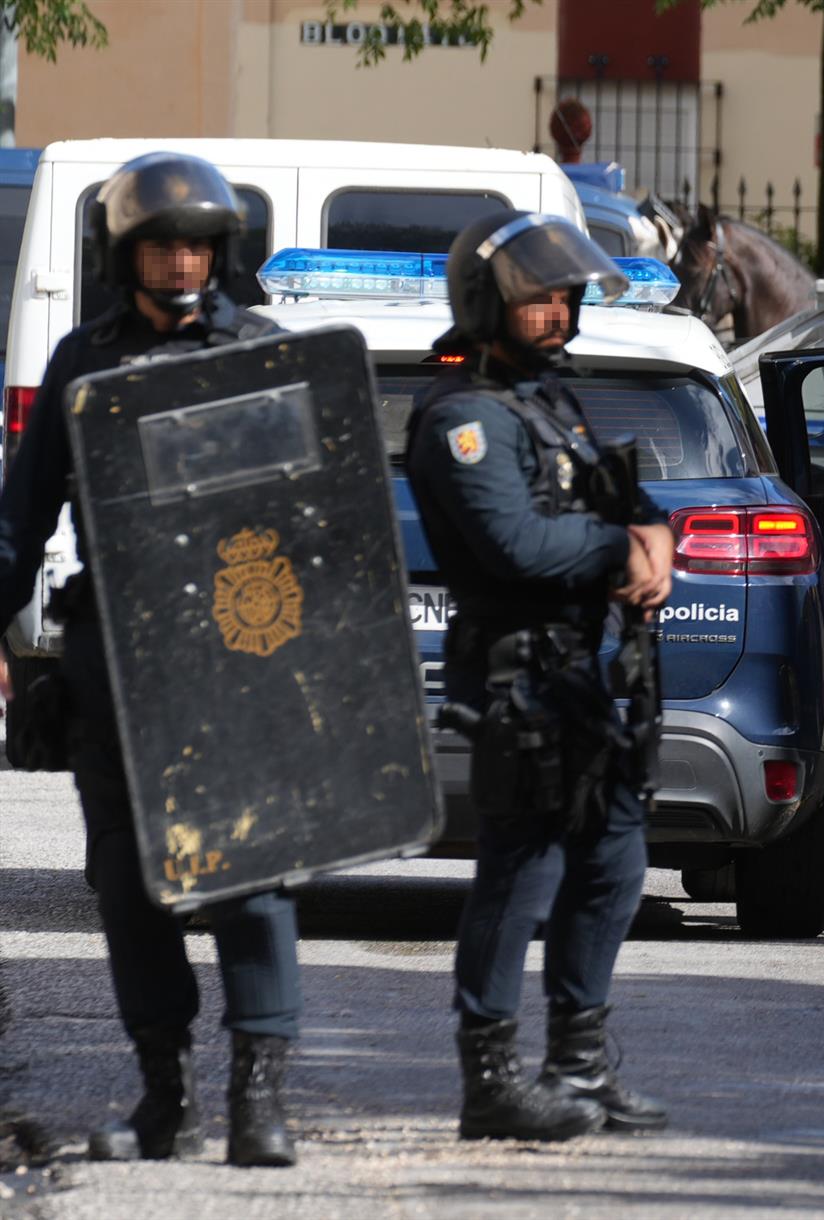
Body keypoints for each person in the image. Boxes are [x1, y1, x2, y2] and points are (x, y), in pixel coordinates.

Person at [0, 152, 300, 1167]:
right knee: (131, 886)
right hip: (116, 663)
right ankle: (164, 1092)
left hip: (238, 652)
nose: (181, 260)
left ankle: (261, 1095)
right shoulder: (84, 365)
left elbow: (313, 512)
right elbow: (19, 524)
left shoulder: (261, 351)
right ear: (125, 251)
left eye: (197, 243)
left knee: (252, 869)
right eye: (162, 243)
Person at [406, 210, 677, 1142]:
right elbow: (515, 544)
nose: (559, 308)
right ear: (489, 301)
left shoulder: (550, 399)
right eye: (539, 295)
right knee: (521, 874)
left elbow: (631, 503)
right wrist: (620, 548)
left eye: (566, 294)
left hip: (594, 682)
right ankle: (490, 1083)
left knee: (615, 864)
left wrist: (658, 542)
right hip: (519, 677)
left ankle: (579, 1067)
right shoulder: (463, 416)